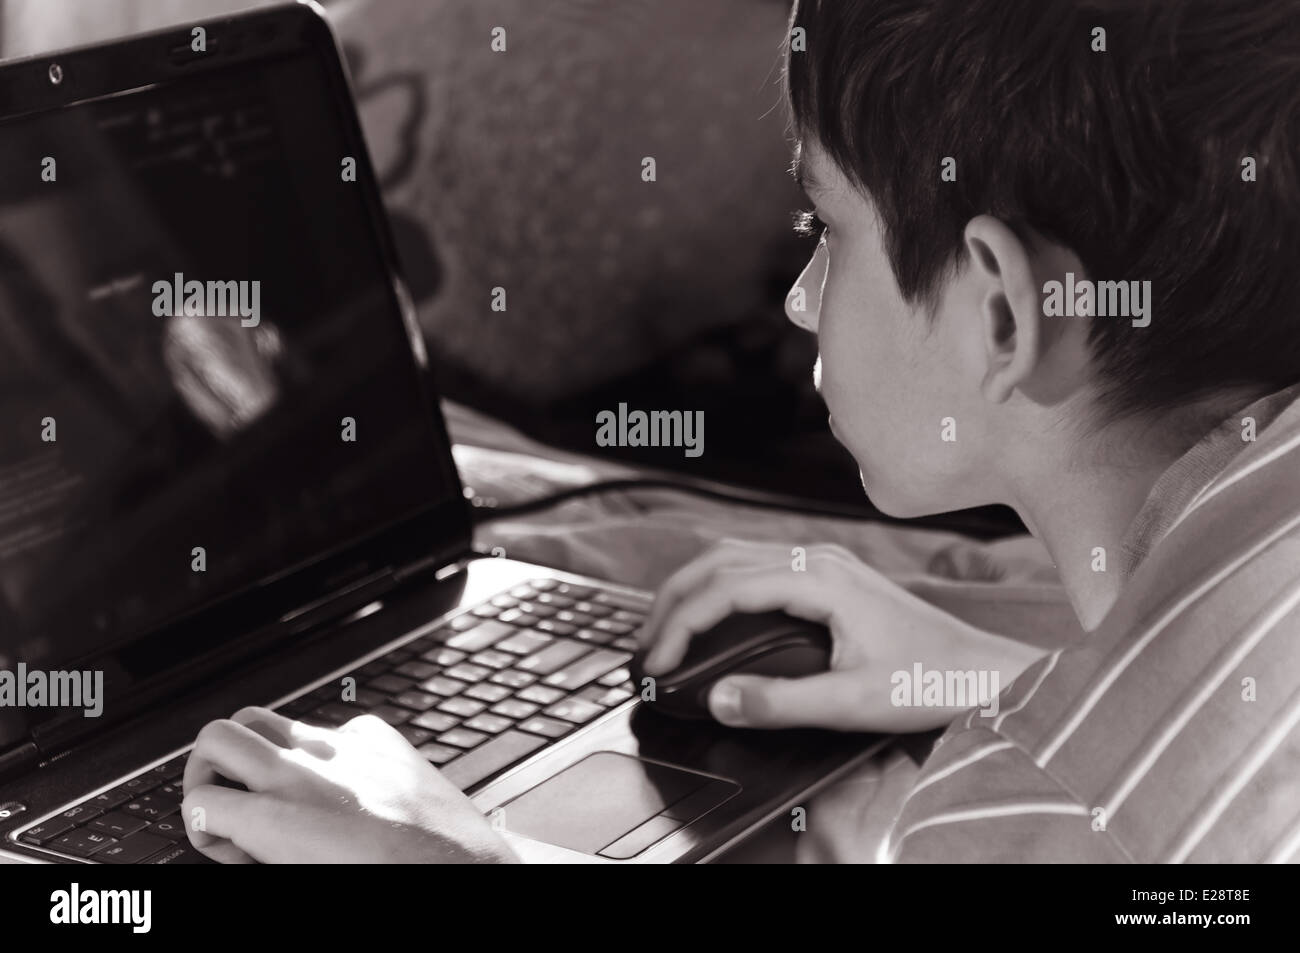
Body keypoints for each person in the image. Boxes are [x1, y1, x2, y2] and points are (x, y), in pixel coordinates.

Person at [181, 0, 1300, 863]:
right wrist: (1003, 671)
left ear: (1006, 311)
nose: (803, 295)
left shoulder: (1043, 813)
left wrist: (443, 852)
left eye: (826, 225)